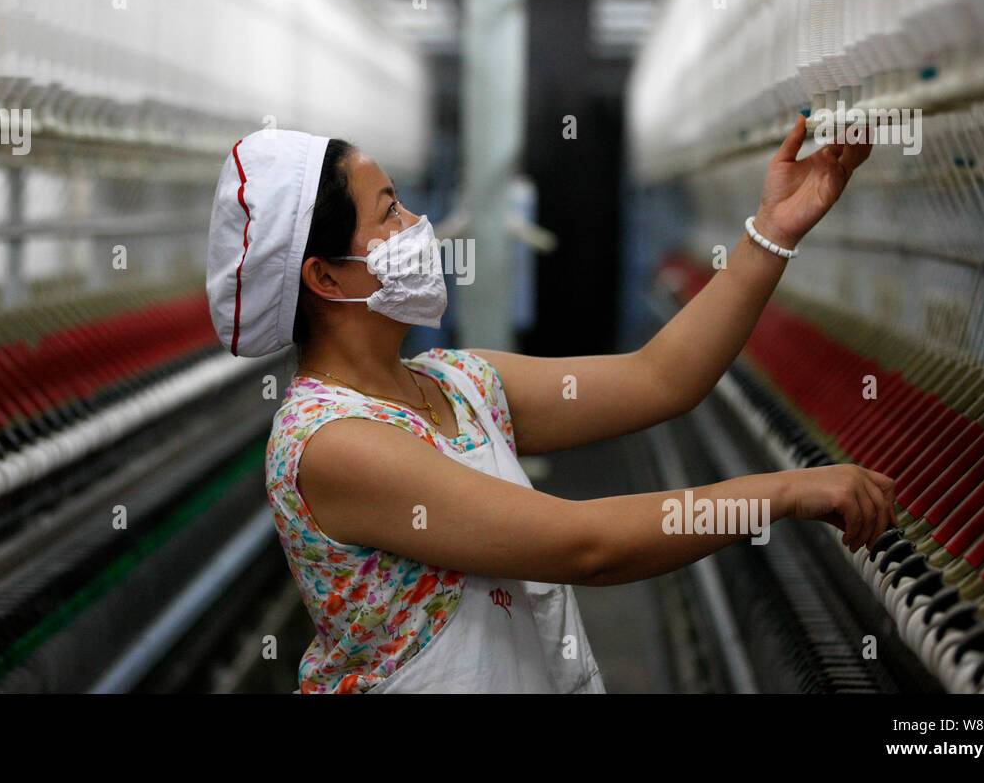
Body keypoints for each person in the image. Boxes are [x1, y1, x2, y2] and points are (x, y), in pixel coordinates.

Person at [205, 119, 894, 694]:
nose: (420, 226)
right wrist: (780, 493)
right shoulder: (332, 443)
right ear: (324, 276)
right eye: (390, 212)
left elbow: (662, 378)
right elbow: (584, 547)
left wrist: (774, 230)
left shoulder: (456, 384)